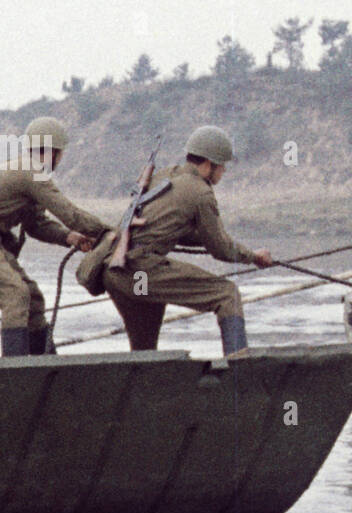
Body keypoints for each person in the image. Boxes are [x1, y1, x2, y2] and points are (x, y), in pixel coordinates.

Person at [96, 125, 272, 356]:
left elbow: (176, 229)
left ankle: (142, 383)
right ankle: (239, 370)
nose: (224, 171)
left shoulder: (166, 175)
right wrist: (253, 256)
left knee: (145, 347)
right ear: (208, 164)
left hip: (118, 274)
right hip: (139, 270)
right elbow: (220, 249)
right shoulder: (200, 192)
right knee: (227, 294)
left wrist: (216, 241)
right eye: (222, 165)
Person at [0, 117, 110, 356]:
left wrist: (68, 237)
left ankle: (45, 367)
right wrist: (111, 231)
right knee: (15, 295)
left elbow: (36, 224)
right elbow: (71, 214)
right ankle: (15, 374)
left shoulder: (28, 171)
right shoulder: (32, 173)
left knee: (33, 300)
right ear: (55, 152)